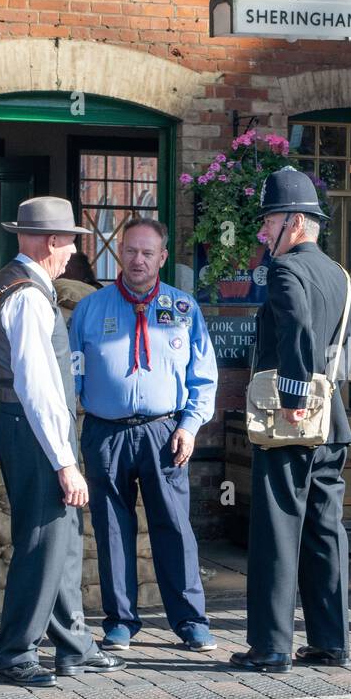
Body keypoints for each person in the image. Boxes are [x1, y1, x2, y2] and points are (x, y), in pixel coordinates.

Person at [0, 196, 125, 687]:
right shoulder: (30, 298)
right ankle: (16, 653)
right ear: (51, 242)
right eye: (69, 244)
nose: (71, 256)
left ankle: (73, 646)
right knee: (41, 543)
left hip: (22, 427)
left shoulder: (1, 285)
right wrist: (65, 462)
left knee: (60, 540)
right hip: (35, 429)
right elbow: (38, 386)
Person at [69, 217, 218, 652]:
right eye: (131, 251)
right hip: (105, 434)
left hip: (164, 433)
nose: (138, 260)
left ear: (163, 258)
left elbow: (203, 377)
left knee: (173, 528)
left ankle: (191, 621)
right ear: (119, 253)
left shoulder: (185, 309)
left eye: (147, 253)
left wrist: (189, 426)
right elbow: (72, 373)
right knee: (112, 529)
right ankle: (119, 621)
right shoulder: (89, 310)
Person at [229, 168, 351, 673]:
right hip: (333, 422)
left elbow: (298, 328)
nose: (262, 232)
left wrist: (294, 395)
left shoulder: (286, 271)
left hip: (291, 419)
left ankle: (272, 645)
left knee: (278, 530)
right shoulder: (338, 274)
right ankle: (330, 641)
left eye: (270, 221)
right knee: (325, 529)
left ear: (295, 223)